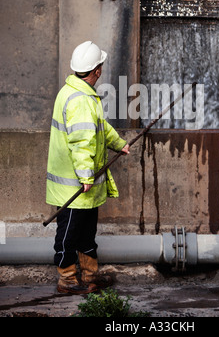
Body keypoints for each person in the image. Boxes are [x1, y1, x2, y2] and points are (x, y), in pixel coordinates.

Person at [46, 41, 130, 294]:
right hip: (76, 188)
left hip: (83, 187)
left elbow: (98, 128)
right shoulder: (81, 99)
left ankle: (90, 277)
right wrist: (85, 176)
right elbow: (81, 142)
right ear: (96, 71)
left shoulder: (74, 91)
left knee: (85, 235)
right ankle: (68, 281)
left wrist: (119, 144)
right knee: (69, 236)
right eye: (100, 66)